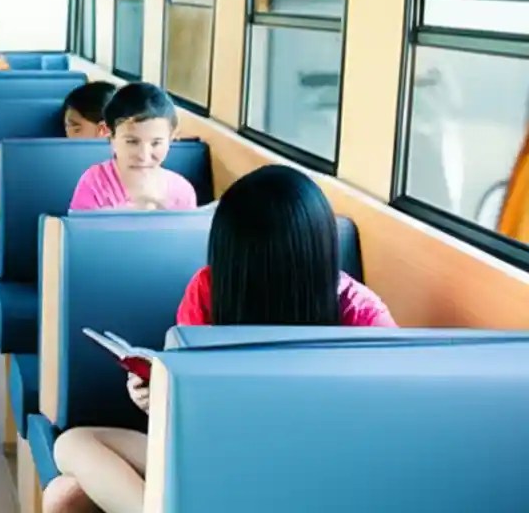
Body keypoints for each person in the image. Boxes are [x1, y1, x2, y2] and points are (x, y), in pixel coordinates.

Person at [43, 165, 396, 513]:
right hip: (211, 454)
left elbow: (378, 430)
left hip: (304, 475)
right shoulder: (209, 288)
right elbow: (190, 406)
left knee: (67, 488)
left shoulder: (363, 317)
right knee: (70, 458)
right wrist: (157, 398)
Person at [68, 83, 196, 211]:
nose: (143, 156)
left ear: (170, 139)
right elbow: (83, 229)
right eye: (132, 142)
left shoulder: (182, 192)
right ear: (111, 136)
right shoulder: (94, 184)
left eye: (156, 143)